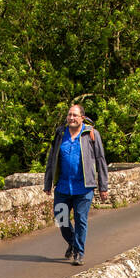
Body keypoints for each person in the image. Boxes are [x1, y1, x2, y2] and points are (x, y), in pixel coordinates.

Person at [43, 103, 110, 265]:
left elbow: (101, 160)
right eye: (69, 115)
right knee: (61, 218)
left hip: (84, 187)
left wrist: (103, 187)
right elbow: (52, 159)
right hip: (63, 186)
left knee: (81, 219)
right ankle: (73, 242)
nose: (71, 118)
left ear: (82, 118)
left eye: (74, 115)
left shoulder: (91, 134)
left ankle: (79, 252)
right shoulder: (60, 134)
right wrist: (48, 183)